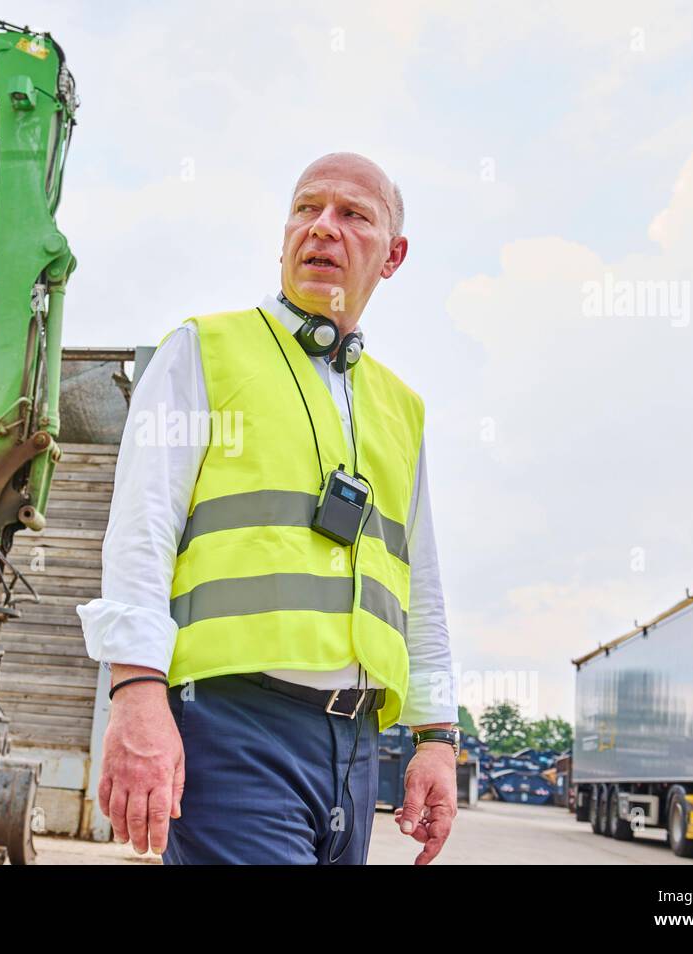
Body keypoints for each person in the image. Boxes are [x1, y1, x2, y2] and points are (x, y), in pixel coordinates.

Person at [78, 152, 460, 865]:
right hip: (234, 727)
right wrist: (134, 692)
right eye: (306, 208)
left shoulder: (401, 409)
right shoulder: (204, 350)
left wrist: (437, 735)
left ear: (393, 255)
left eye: (352, 215)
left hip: (354, 752)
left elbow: (423, 587)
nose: (323, 228)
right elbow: (141, 532)